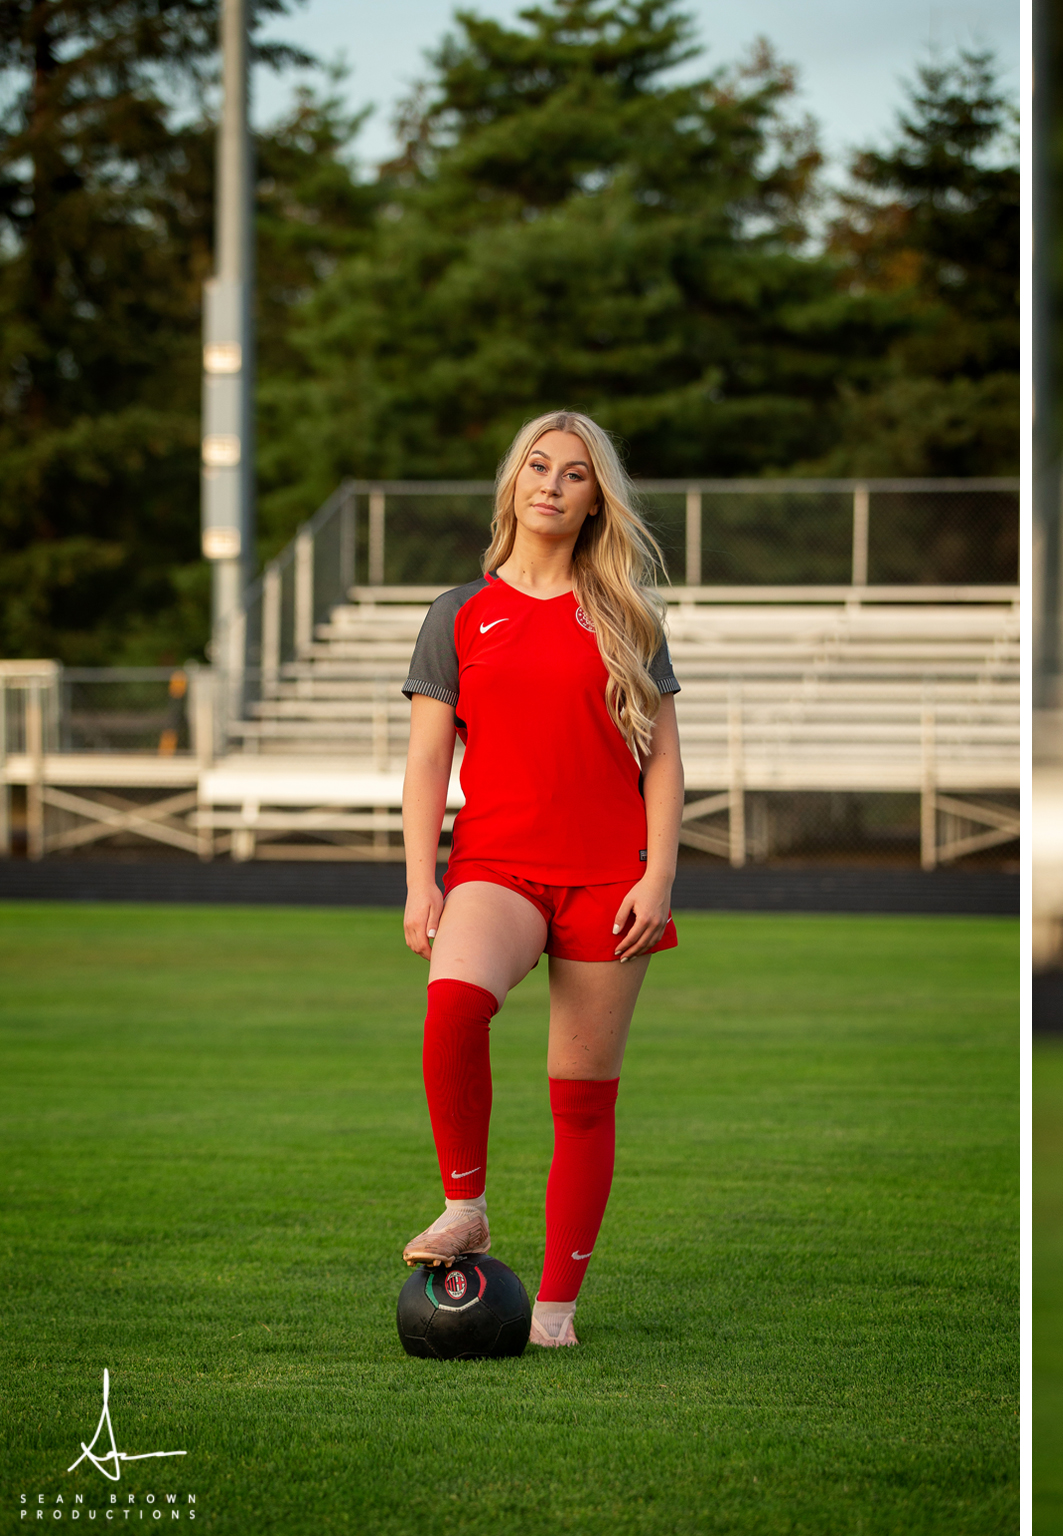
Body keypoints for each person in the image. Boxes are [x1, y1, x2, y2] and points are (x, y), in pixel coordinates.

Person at [397, 409, 684, 1349]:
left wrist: (659, 878)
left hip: (612, 877)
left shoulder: (627, 616)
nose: (551, 485)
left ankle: (554, 1315)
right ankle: (465, 1203)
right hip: (495, 863)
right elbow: (426, 762)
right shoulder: (458, 614)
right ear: (512, 483)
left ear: (598, 497)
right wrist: (419, 879)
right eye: (536, 466)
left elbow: (666, 760)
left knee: (583, 1097)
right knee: (453, 1003)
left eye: (573, 474)